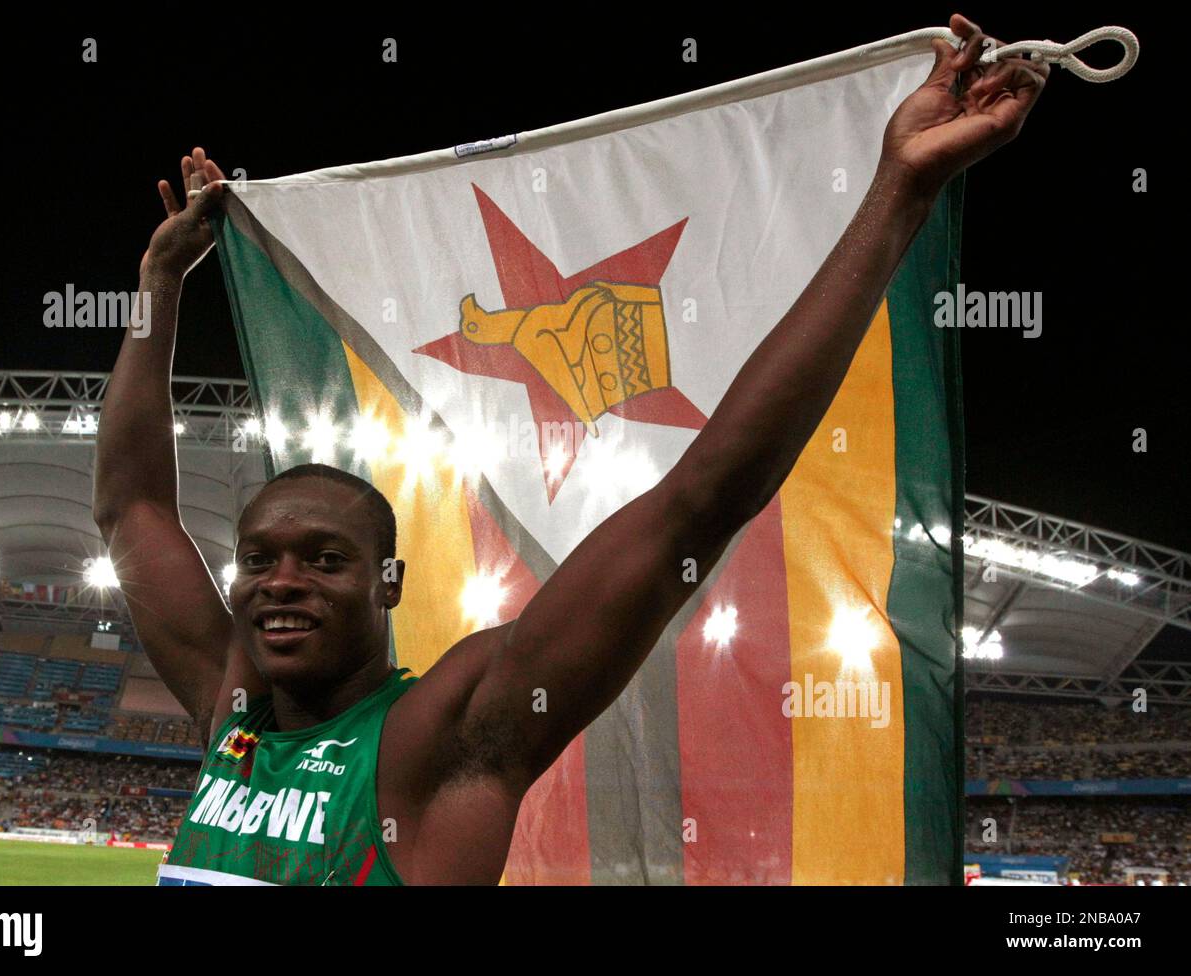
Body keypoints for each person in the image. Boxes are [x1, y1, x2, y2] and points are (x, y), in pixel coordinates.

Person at [94, 13, 1048, 885]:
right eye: (258, 560)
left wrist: (895, 195)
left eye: (324, 560)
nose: (280, 580)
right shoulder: (232, 722)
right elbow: (132, 510)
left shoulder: (446, 736)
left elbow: (699, 501)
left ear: (389, 583)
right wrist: (159, 284)